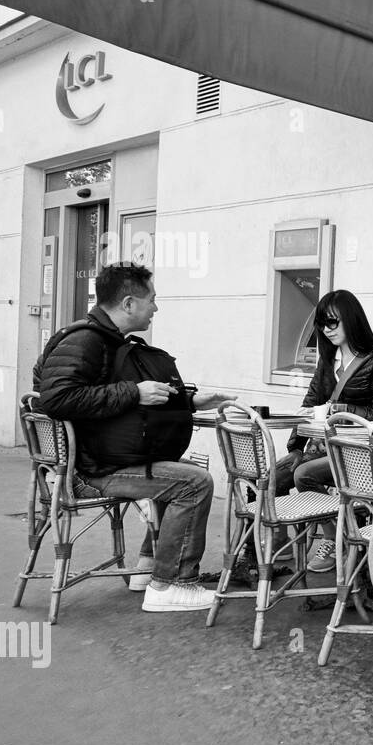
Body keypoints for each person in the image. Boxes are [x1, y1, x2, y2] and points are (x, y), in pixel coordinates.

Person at [33, 261, 236, 612]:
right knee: (195, 482)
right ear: (128, 304)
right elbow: (57, 399)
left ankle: (147, 569)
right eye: (151, 300)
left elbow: (126, 395)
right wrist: (132, 392)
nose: (155, 308)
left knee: (174, 469)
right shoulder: (86, 341)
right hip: (89, 471)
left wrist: (190, 400)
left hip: (102, 458)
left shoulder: (107, 341)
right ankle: (170, 584)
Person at [286, 289, 373, 572]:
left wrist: (338, 410)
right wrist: (296, 447)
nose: (327, 329)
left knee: (302, 474)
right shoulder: (327, 360)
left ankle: (336, 536)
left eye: (333, 322)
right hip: (325, 448)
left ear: (351, 320)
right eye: (323, 323)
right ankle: (268, 544)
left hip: (365, 452)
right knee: (275, 474)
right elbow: (309, 405)